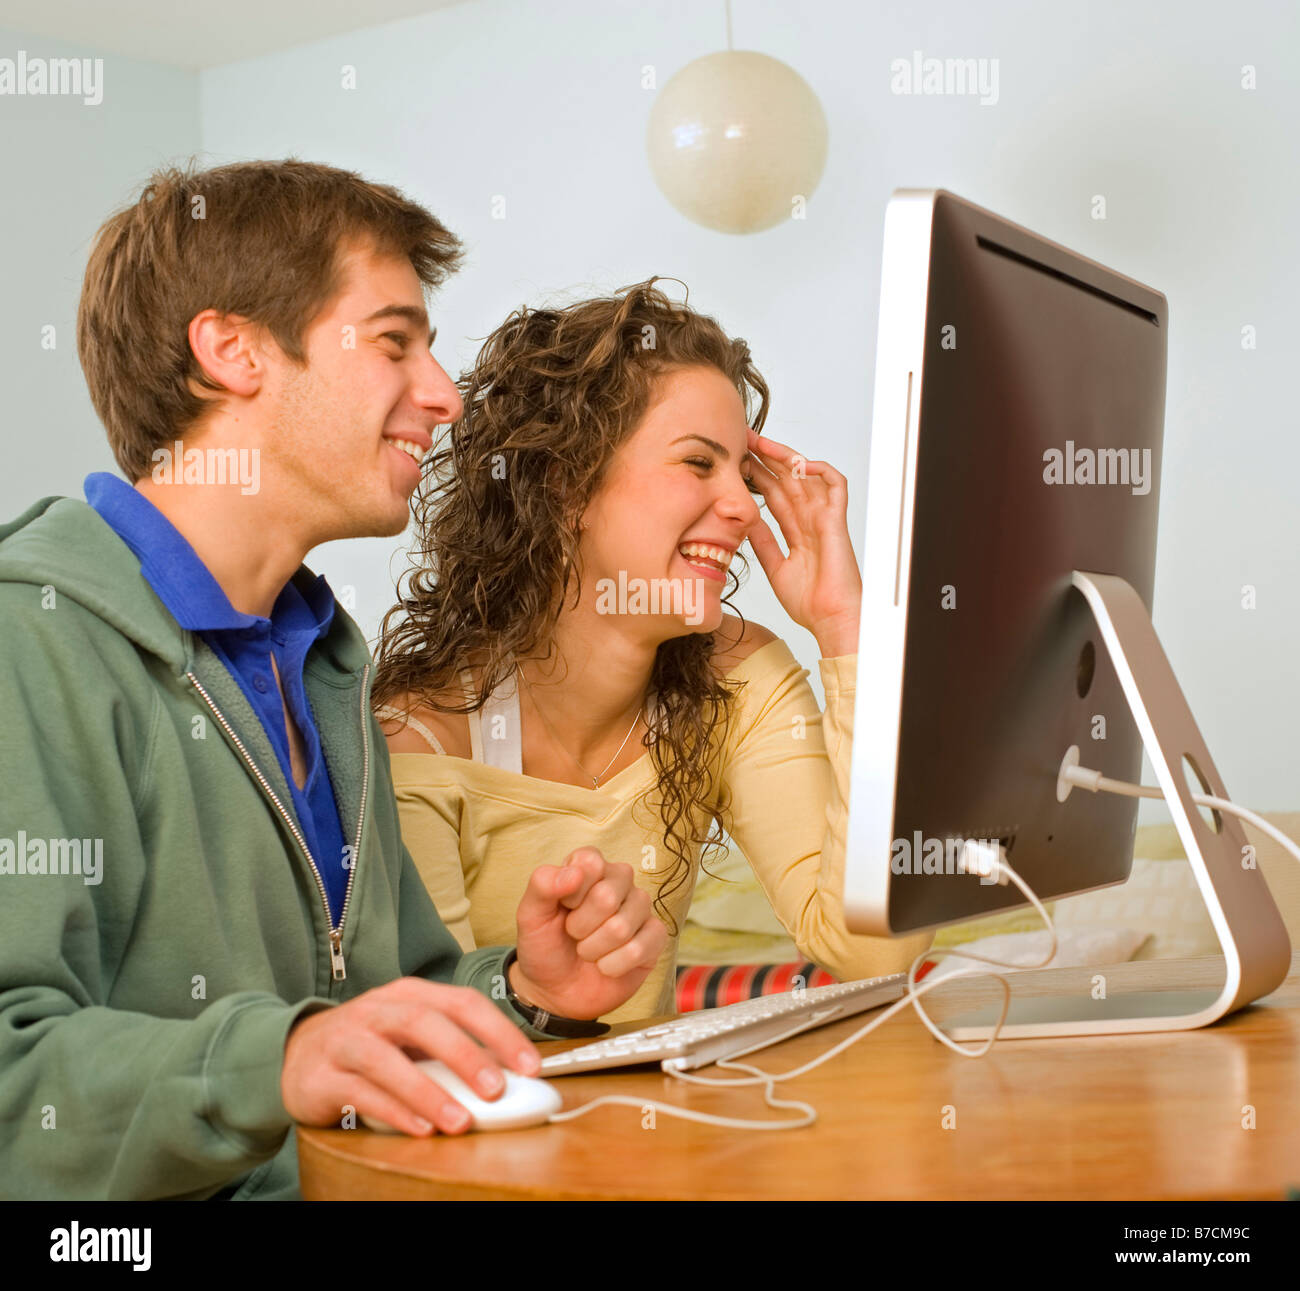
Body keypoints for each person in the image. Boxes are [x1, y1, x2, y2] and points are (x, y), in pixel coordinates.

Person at [0, 159, 665, 1202]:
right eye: (394, 342)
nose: (444, 394)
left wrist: (529, 990)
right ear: (232, 351)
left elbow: (377, 1002)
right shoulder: (27, 639)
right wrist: (277, 1061)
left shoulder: (323, 658)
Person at [373, 282, 933, 1024]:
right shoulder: (420, 741)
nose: (743, 507)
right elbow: (435, 1033)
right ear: (567, 486)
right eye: (699, 463)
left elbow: (874, 952)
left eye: (743, 473)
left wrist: (846, 626)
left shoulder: (738, 678)